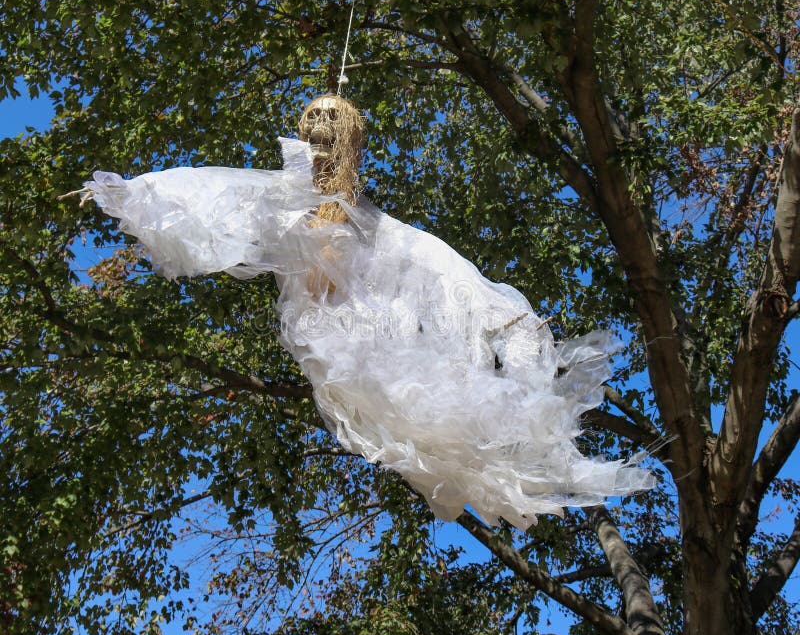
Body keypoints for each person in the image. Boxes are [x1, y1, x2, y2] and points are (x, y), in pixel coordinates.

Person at [82, 94, 654, 530]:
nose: (320, 144)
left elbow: (454, 278)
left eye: (332, 136)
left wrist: (514, 334)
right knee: (436, 425)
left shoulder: (388, 238)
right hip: (345, 342)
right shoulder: (295, 211)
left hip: (362, 346)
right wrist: (136, 196)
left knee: (449, 423)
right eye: (316, 137)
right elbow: (224, 202)